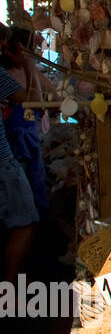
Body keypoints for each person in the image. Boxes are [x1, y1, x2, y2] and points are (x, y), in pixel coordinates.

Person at [1, 25, 49, 214]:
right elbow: (36, 103)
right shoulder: (6, 77)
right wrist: (29, 66)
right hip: (14, 150)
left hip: (20, 146)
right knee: (25, 217)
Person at [0, 66, 38, 282]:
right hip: (2, 162)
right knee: (24, 223)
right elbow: (32, 99)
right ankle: (8, 286)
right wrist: (25, 62)